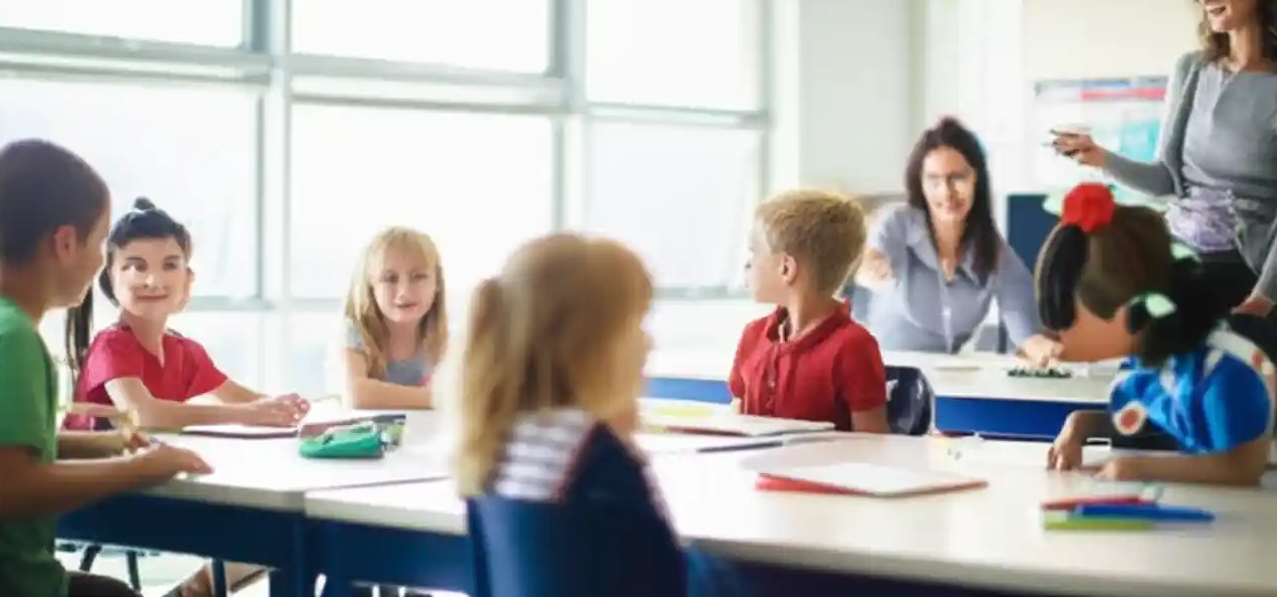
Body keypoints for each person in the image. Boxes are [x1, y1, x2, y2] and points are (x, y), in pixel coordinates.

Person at [446, 234, 742, 596]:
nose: (649, 342)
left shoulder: (495, 445)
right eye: (637, 321)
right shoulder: (598, 458)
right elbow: (661, 576)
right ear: (588, 342)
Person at [61, 198, 308, 596]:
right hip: (101, 497)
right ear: (110, 277)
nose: (153, 280)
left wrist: (298, 411)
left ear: (188, 281)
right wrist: (253, 413)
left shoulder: (183, 350)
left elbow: (241, 397)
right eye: (135, 266)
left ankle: (193, 591)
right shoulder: (111, 345)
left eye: (169, 265)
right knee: (270, 539)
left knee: (280, 539)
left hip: (159, 487)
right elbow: (144, 414)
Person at [0, 139, 211, 597]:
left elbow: (13, 447)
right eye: (100, 245)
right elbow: (8, 483)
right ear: (66, 243)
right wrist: (141, 468)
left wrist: (105, 443)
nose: (99, 265)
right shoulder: (13, 337)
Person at [1053, 0, 1277, 319]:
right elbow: (1166, 182)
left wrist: (1263, 299)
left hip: (1246, 275)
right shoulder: (1191, 70)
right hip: (1177, 257)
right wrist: (1100, 157)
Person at [1040, 183, 1274, 486]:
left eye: (1068, 322)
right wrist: (1081, 424)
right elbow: (1146, 421)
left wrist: (1141, 469)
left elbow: (1242, 468)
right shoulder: (1149, 362)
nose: (1057, 339)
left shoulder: (1223, 368)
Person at [860, 117, 1061, 362]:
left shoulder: (990, 248)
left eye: (957, 178)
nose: (946, 192)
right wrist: (871, 265)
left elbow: (1023, 323)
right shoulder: (897, 222)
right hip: (882, 375)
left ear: (976, 178)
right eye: (933, 180)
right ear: (920, 184)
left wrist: (1041, 347)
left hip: (945, 382)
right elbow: (871, 256)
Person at [730, 189, 888, 432]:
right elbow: (736, 421)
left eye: (754, 252)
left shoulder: (854, 347)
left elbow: (874, 445)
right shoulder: (752, 336)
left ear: (786, 268)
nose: (748, 264)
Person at [338, 227, 448, 409]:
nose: (404, 292)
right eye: (390, 279)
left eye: (418, 277)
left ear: (437, 284)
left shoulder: (445, 340)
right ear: (370, 287)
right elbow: (355, 394)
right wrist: (437, 399)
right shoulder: (355, 333)